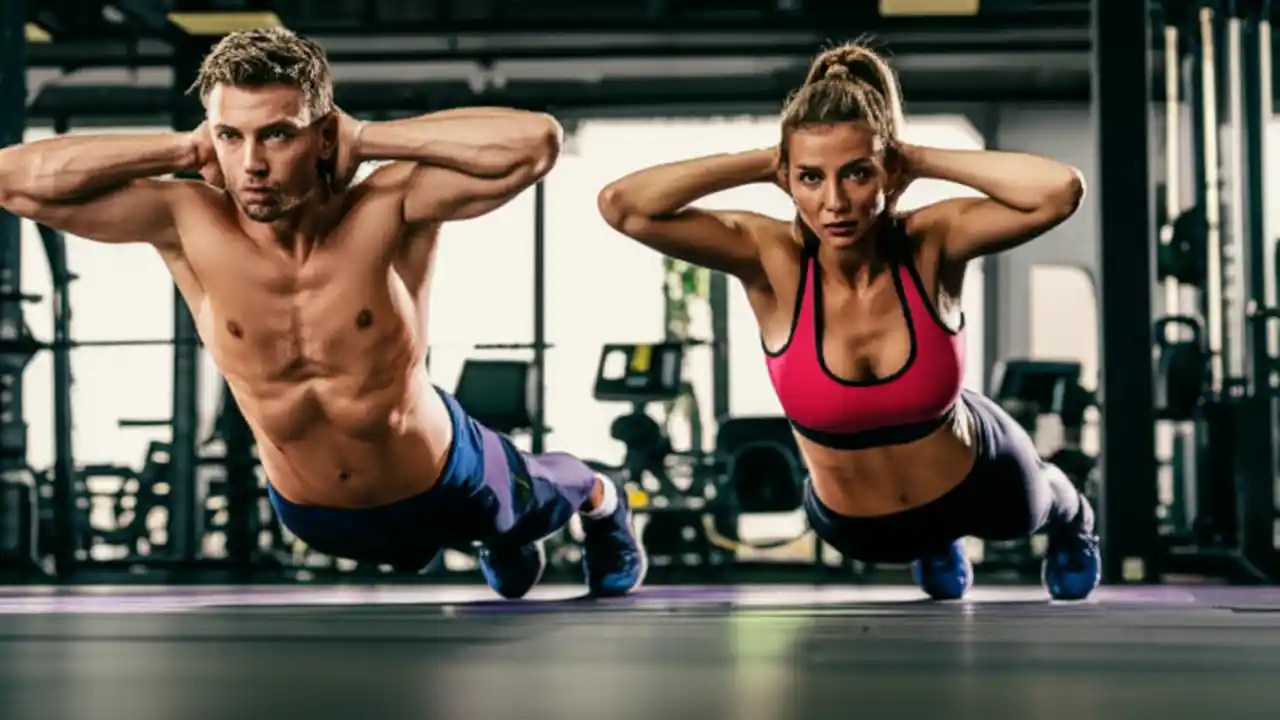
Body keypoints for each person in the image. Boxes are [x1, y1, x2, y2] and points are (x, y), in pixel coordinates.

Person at [0, 27, 646, 599]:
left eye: (277, 134)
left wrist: (367, 139)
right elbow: (12, 180)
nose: (251, 164)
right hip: (314, 516)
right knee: (498, 534)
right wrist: (182, 150)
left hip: (447, 477)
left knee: (540, 491)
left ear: (321, 133)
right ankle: (498, 538)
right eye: (231, 135)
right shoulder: (185, 220)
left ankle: (602, 501)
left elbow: (534, 143)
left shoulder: (389, 204)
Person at [597, 42, 1100, 601]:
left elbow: (1059, 192)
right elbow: (624, 204)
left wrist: (917, 157)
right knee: (894, 536)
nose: (835, 201)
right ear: (787, 179)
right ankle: (935, 545)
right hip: (862, 529)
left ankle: (1075, 521)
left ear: (887, 173)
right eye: (811, 177)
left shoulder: (931, 243)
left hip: (978, 484)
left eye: (858, 174)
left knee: (1035, 507)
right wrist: (770, 159)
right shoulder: (771, 261)